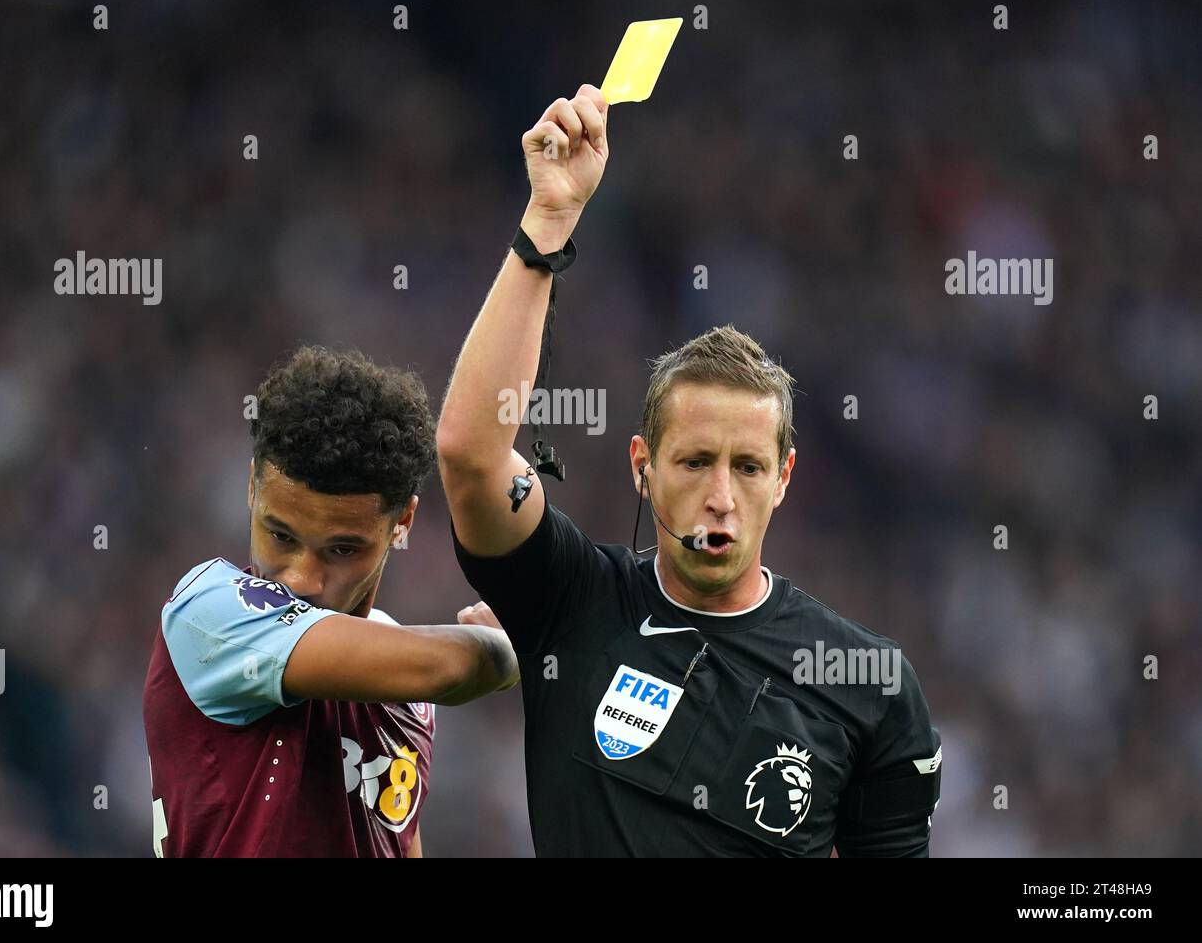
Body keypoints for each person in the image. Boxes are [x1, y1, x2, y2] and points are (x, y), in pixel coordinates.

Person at [436, 84, 942, 856]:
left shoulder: (869, 684)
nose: (720, 497)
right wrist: (549, 220)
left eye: (747, 466)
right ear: (642, 466)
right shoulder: (571, 604)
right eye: (695, 460)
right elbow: (471, 454)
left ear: (784, 476)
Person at [143, 345, 519, 857]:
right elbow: (453, 667)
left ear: (402, 523)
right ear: (252, 487)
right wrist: (511, 645)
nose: (301, 579)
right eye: (281, 536)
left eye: (342, 549)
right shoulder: (211, 615)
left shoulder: (408, 693)